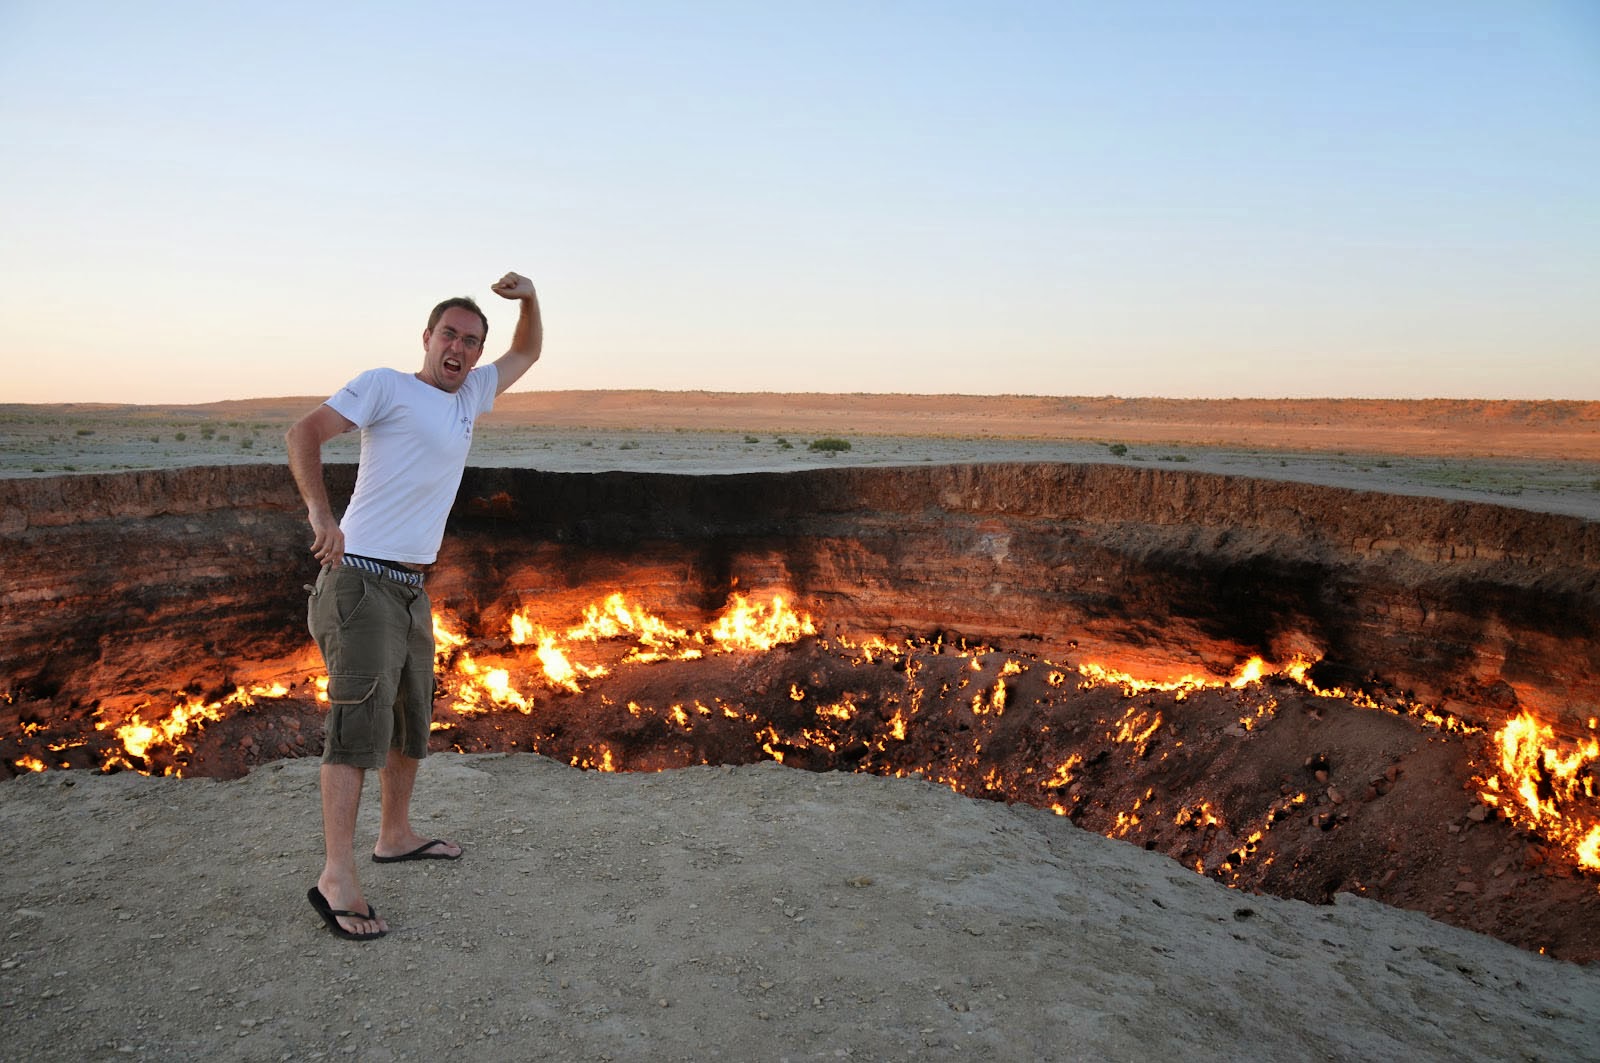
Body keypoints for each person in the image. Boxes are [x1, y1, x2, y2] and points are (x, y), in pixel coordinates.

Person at [286, 271, 543, 941]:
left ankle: (394, 834)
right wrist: (321, 514)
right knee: (356, 726)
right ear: (427, 337)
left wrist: (531, 299)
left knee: (409, 718)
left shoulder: (472, 394)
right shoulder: (385, 385)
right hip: (359, 581)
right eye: (449, 335)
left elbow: (528, 351)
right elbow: (303, 433)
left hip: (410, 587)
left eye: (471, 341)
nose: (459, 348)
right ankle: (335, 877)